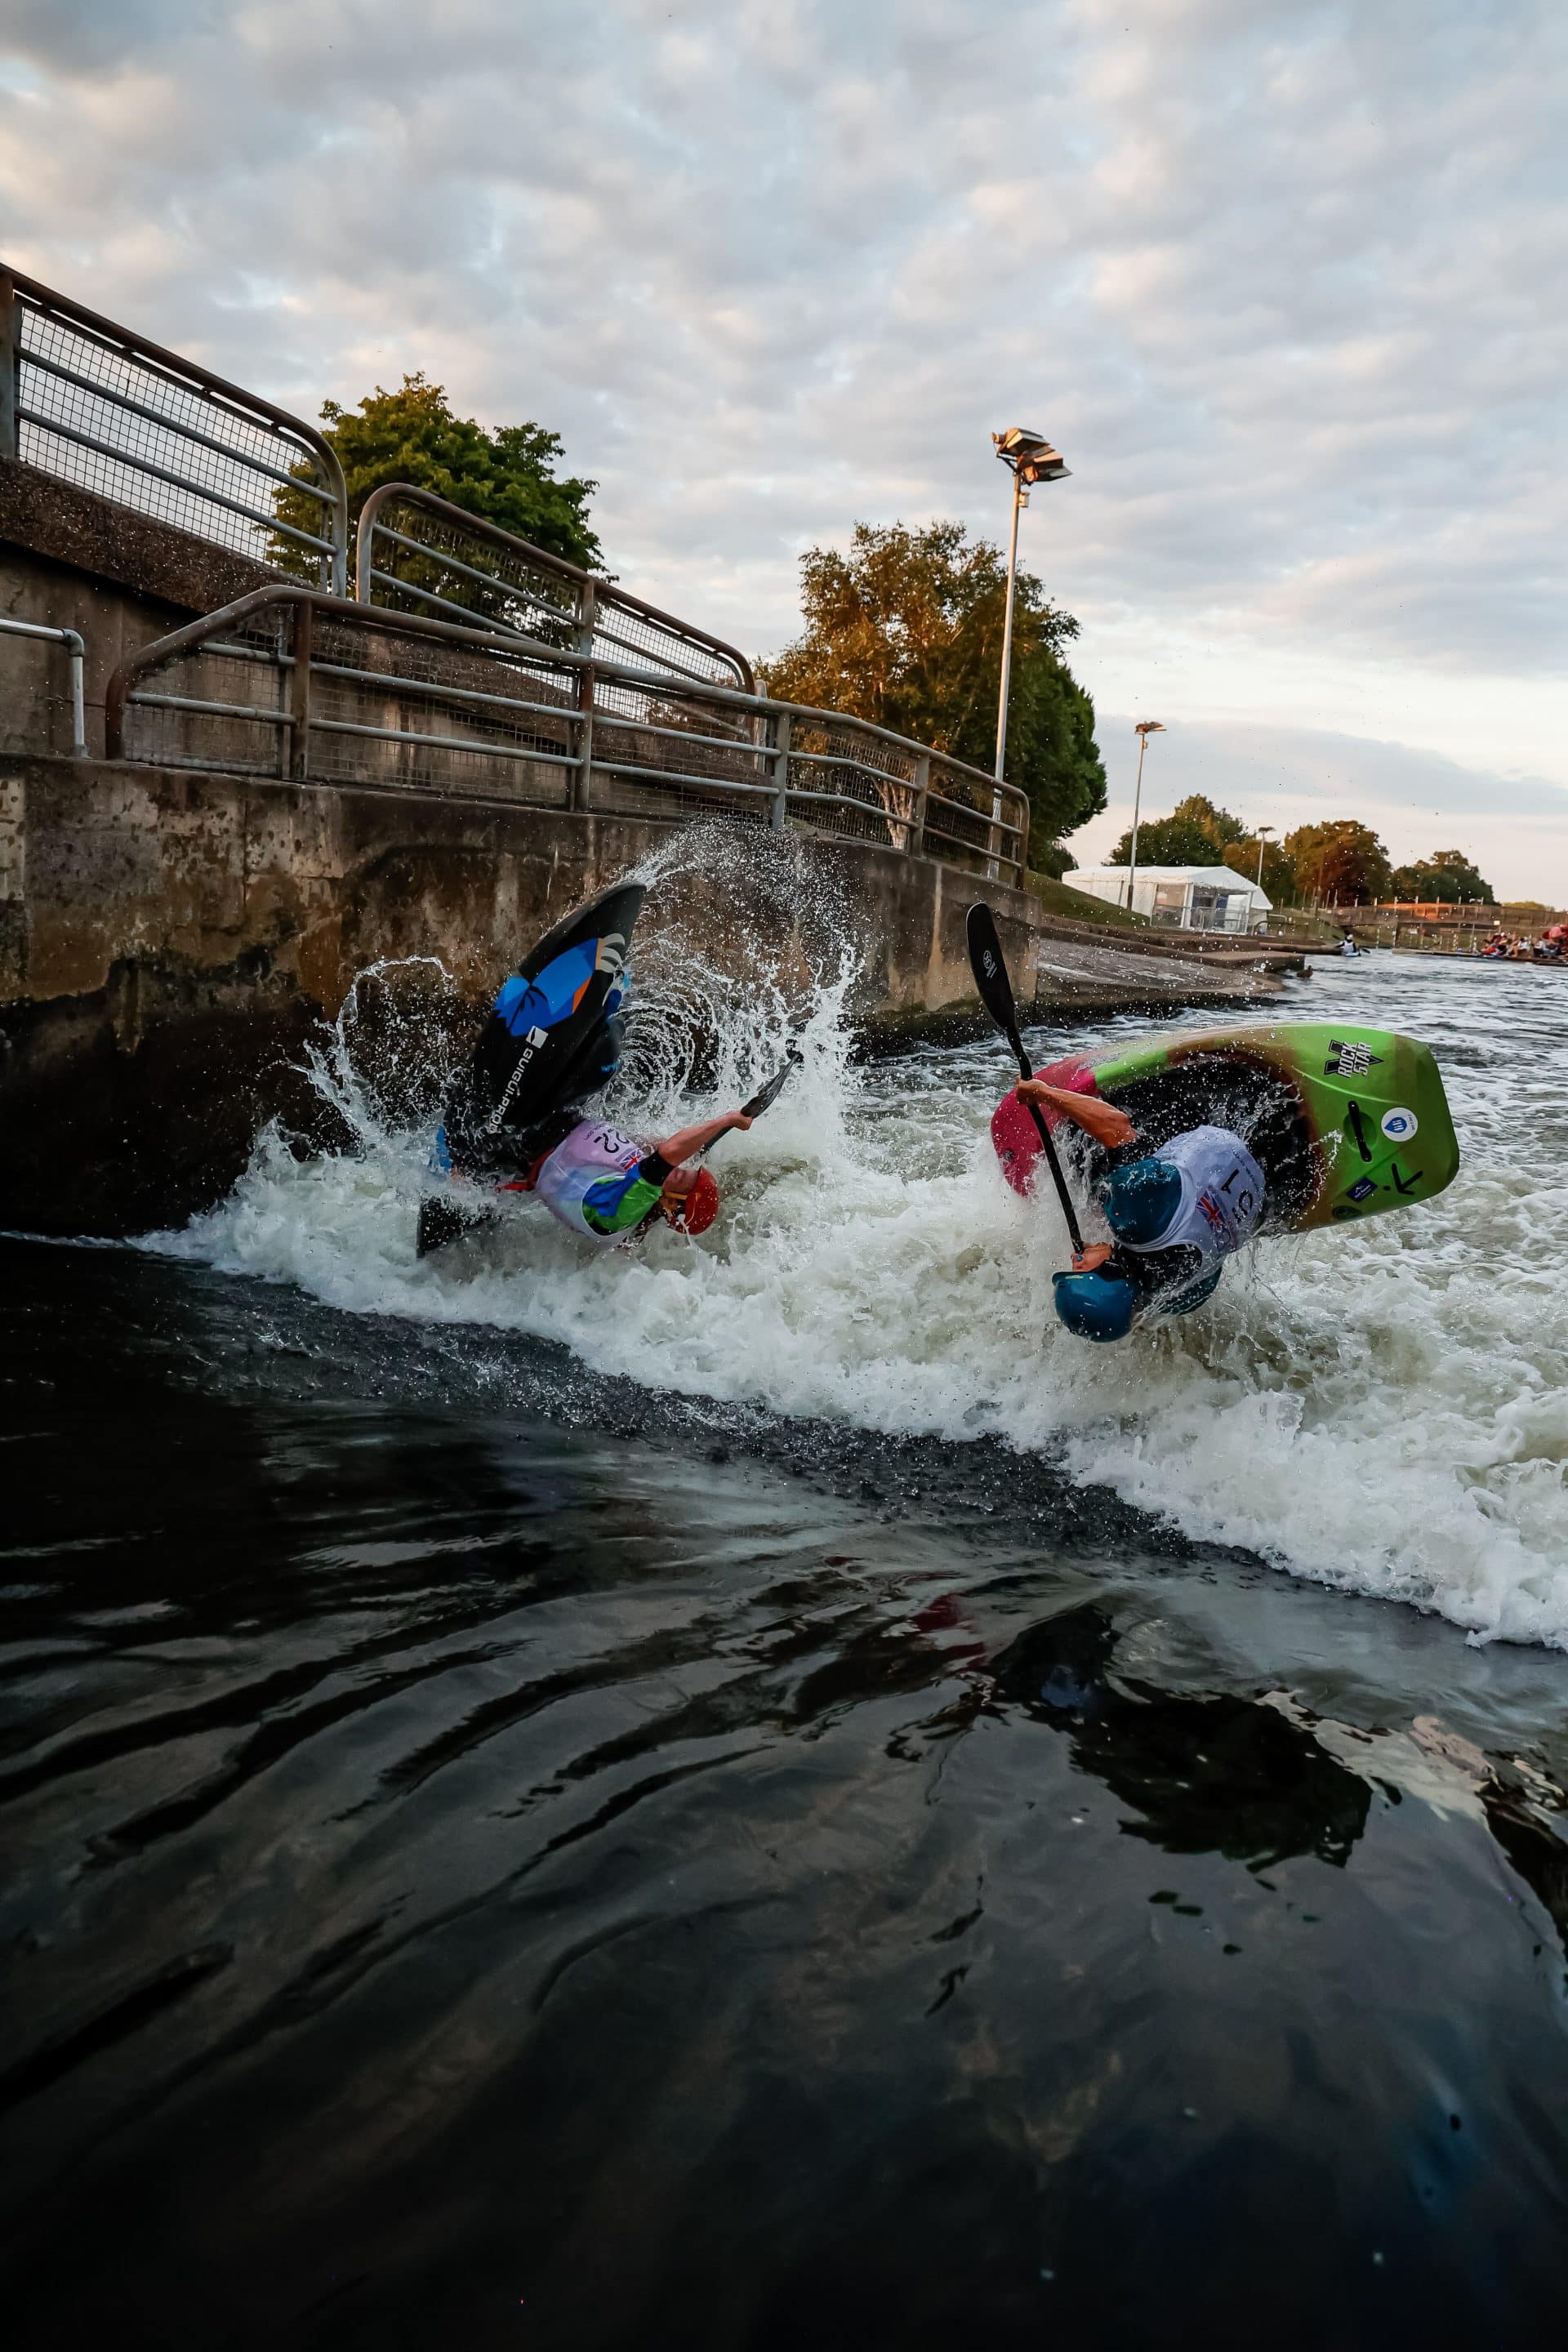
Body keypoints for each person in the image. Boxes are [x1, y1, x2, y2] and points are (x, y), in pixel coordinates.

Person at [993, 1061, 1265, 1343]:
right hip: (1230, 1122)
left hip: (1267, 1187)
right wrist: (1043, 1093)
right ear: (1109, 1274)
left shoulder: (1180, 1298)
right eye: (1079, 1266)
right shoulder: (1134, 1211)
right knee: (1088, 1150)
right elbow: (1115, 1125)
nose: (1075, 1257)